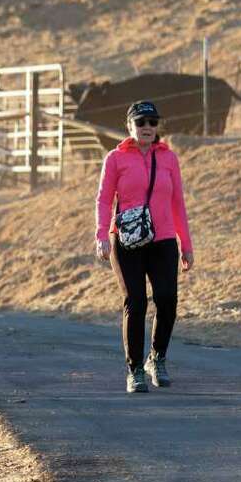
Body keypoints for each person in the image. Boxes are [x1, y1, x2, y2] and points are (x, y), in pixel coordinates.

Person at [94, 99, 195, 394]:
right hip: (126, 240)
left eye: (152, 122)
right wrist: (101, 235)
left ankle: (157, 358)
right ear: (129, 126)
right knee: (135, 302)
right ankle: (134, 369)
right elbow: (103, 199)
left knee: (167, 300)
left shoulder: (169, 158)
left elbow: (178, 203)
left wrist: (185, 244)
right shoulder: (115, 158)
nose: (147, 128)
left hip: (162, 239)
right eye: (141, 122)